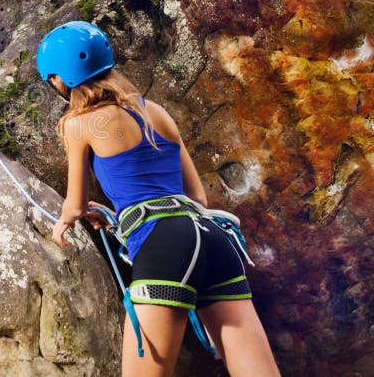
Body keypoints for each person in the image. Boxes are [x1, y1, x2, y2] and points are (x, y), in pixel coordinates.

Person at [36, 21, 280, 376]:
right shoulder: (155, 111)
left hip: (165, 248)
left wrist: (63, 222)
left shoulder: (79, 123)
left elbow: (74, 206)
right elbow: (196, 197)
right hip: (212, 239)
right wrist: (118, 218)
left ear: (61, 80)